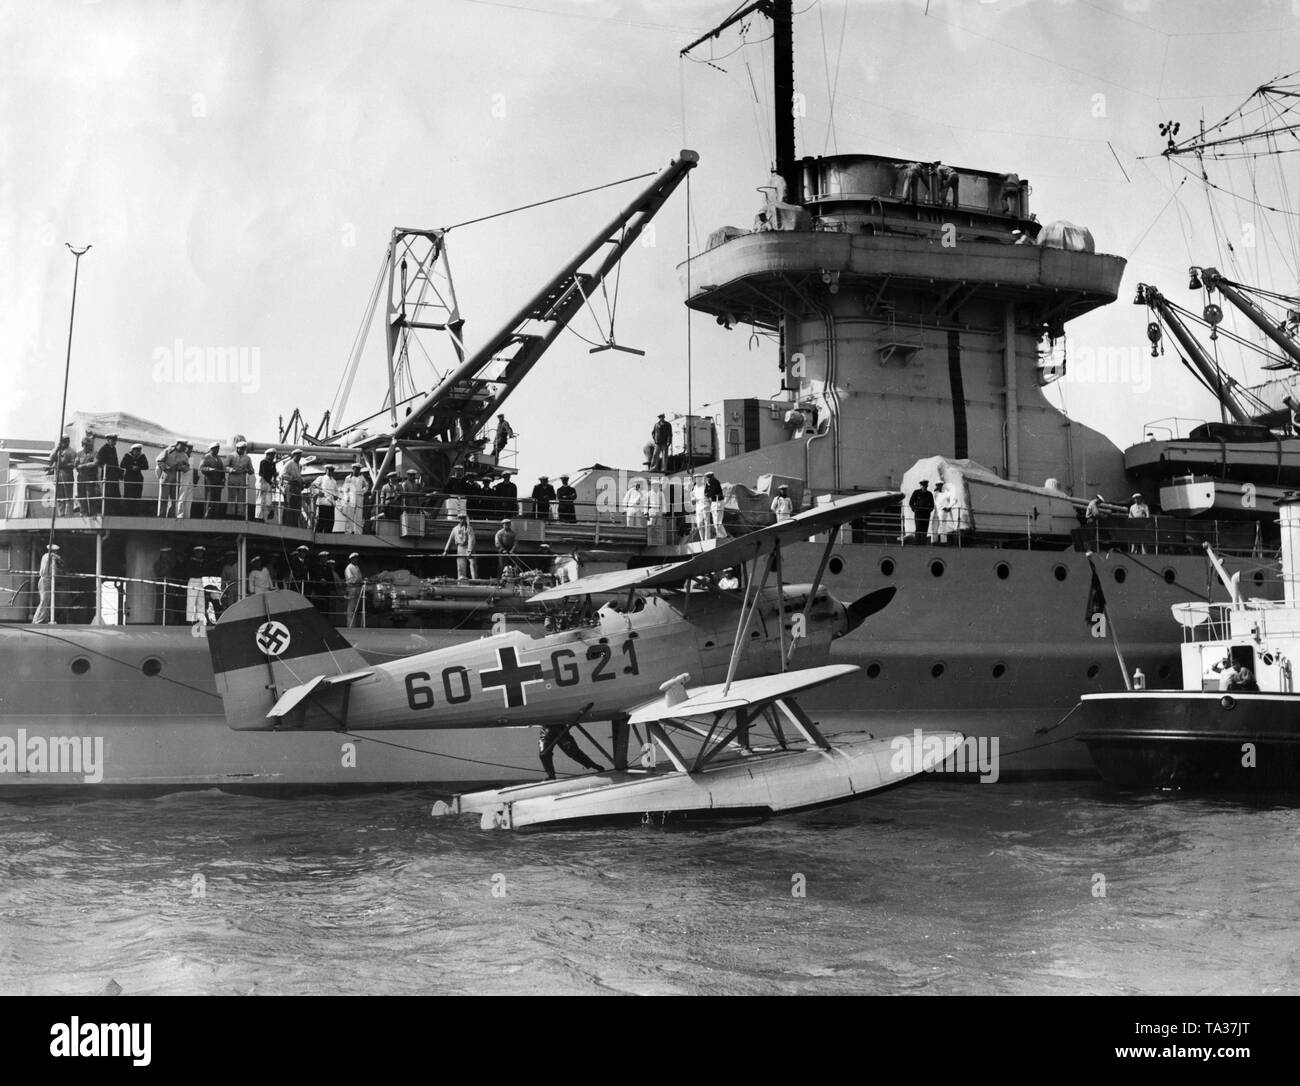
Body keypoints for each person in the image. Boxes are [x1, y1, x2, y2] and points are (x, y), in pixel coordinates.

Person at [537, 724, 602, 780]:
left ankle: (593, 765)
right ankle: (551, 776)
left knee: (573, 751)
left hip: (560, 727)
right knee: (544, 754)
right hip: (546, 728)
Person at [32, 544, 63, 623]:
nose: (56, 552)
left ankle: (43, 619)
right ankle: (37, 620)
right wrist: (56, 557)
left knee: (47, 601)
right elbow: (49, 557)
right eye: (55, 551)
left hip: (49, 581)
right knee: (44, 601)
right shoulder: (47, 556)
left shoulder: (51, 558)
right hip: (45, 580)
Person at [226, 440, 255, 520]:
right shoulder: (231, 456)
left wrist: (249, 470)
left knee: (241, 499)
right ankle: (230, 515)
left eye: (244, 448)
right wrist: (232, 470)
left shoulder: (247, 458)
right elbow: (225, 467)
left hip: (242, 481)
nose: (242, 450)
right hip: (232, 480)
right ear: (237, 448)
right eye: (241, 448)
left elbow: (252, 470)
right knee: (231, 498)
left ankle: (240, 515)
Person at [443, 514, 477, 579]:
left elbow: (471, 539)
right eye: (460, 519)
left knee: (473, 564)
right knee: (461, 565)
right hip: (460, 547)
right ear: (458, 519)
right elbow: (450, 540)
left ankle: (475, 580)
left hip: (468, 547)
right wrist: (446, 551)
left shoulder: (469, 528)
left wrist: (469, 550)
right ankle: (461, 580)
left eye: (463, 518)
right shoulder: (455, 529)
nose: (462, 520)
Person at [48, 437, 76, 515]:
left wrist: (64, 465)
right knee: (59, 496)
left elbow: (73, 464)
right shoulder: (55, 450)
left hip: (67, 475)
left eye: (66, 441)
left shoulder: (72, 451)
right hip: (57, 475)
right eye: (63, 441)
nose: (65, 443)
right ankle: (61, 513)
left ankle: (69, 514)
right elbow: (51, 459)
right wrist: (57, 449)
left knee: (68, 496)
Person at [120, 442, 148, 515]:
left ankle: (136, 512)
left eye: (139, 451)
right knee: (128, 495)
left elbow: (146, 466)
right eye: (136, 451)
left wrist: (138, 467)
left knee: (137, 495)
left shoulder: (142, 456)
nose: (138, 452)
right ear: (132, 450)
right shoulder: (127, 456)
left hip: (138, 478)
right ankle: (127, 512)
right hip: (129, 477)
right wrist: (131, 467)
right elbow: (122, 465)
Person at [340, 463, 369, 534]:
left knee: (359, 516)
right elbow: (345, 489)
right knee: (350, 515)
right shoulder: (348, 478)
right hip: (351, 498)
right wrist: (346, 497)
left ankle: (358, 533)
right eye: (356, 469)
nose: (357, 471)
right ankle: (348, 532)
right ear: (353, 469)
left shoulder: (362, 477)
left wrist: (363, 492)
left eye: (359, 469)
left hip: (359, 497)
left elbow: (367, 486)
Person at [96, 433, 121, 516]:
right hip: (108, 475)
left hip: (114, 475)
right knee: (108, 493)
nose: (114, 442)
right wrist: (105, 467)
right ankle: (107, 512)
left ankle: (114, 512)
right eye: (113, 440)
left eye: (115, 440)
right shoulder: (104, 449)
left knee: (115, 493)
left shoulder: (113, 449)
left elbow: (115, 462)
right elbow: (99, 461)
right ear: (108, 440)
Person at [199, 442, 225, 519]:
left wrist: (223, 479)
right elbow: (201, 468)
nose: (217, 450)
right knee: (209, 499)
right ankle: (207, 516)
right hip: (210, 481)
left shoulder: (219, 458)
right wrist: (210, 469)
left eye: (218, 448)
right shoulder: (206, 457)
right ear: (211, 449)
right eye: (216, 448)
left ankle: (215, 516)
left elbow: (222, 470)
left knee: (217, 500)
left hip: (218, 482)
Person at [74, 435, 98, 515]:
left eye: (88, 445)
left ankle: (93, 512)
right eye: (85, 444)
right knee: (81, 495)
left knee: (91, 495)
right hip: (81, 477)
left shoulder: (94, 453)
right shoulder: (79, 454)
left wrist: (83, 465)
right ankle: (83, 511)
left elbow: (95, 463)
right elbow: (76, 465)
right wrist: (84, 466)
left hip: (90, 477)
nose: (86, 446)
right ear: (82, 444)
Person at [280, 449, 305, 527]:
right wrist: (293, 478)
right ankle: (287, 524)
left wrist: (302, 483)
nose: (299, 457)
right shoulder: (289, 463)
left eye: (300, 456)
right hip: (290, 488)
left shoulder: (298, 465)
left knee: (297, 508)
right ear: (294, 455)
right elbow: (283, 475)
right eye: (298, 456)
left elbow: (299, 477)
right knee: (289, 507)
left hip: (297, 489)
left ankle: (294, 524)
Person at [311, 465, 339, 533]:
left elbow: (336, 491)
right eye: (329, 470)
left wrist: (336, 496)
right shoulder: (321, 478)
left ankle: (328, 537)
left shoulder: (334, 481)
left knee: (330, 523)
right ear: (326, 470)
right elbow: (313, 486)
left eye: (332, 470)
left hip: (331, 504)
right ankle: (317, 536)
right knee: (321, 522)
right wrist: (318, 492)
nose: (330, 472)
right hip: (322, 503)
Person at [256, 447, 279, 522]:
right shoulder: (263, 462)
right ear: (268, 455)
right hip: (262, 482)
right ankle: (258, 517)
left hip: (268, 483)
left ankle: (266, 517)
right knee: (260, 500)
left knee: (268, 501)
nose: (273, 457)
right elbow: (264, 474)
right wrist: (271, 482)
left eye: (273, 455)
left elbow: (274, 473)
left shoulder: (273, 463)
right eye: (272, 455)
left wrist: (275, 478)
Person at [177, 441, 198, 519]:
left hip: (190, 480)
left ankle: (187, 515)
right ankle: (180, 515)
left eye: (191, 449)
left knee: (189, 499)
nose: (190, 450)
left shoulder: (191, 458)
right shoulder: (182, 456)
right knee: (181, 497)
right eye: (189, 448)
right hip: (183, 479)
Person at [704, 470, 726, 539]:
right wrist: (708, 490)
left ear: (709, 477)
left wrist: (708, 493)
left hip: (718, 502)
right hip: (713, 502)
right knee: (715, 522)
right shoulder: (708, 483)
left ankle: (723, 536)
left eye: (707, 477)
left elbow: (712, 492)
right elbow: (705, 493)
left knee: (718, 522)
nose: (706, 479)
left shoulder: (715, 482)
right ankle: (720, 535)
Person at [344, 552, 364, 628]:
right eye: (354, 558)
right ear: (351, 559)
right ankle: (350, 625)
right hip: (351, 588)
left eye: (356, 558)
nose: (356, 559)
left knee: (355, 608)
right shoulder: (349, 567)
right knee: (351, 608)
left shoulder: (357, 567)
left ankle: (354, 625)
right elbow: (350, 579)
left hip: (358, 588)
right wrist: (359, 580)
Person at [219, 550, 239, 614]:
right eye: (229, 557)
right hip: (230, 589)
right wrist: (223, 591)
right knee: (230, 605)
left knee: (239, 603)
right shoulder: (225, 567)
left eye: (232, 556)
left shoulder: (239, 565)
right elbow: (223, 580)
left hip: (239, 588)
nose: (231, 558)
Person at [691, 474, 711, 540]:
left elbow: (710, 496)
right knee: (699, 524)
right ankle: (702, 539)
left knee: (706, 523)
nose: (697, 480)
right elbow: (692, 499)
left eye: (698, 478)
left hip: (705, 506)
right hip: (698, 508)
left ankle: (707, 538)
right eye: (696, 478)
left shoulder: (706, 486)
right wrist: (693, 499)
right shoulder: (694, 488)